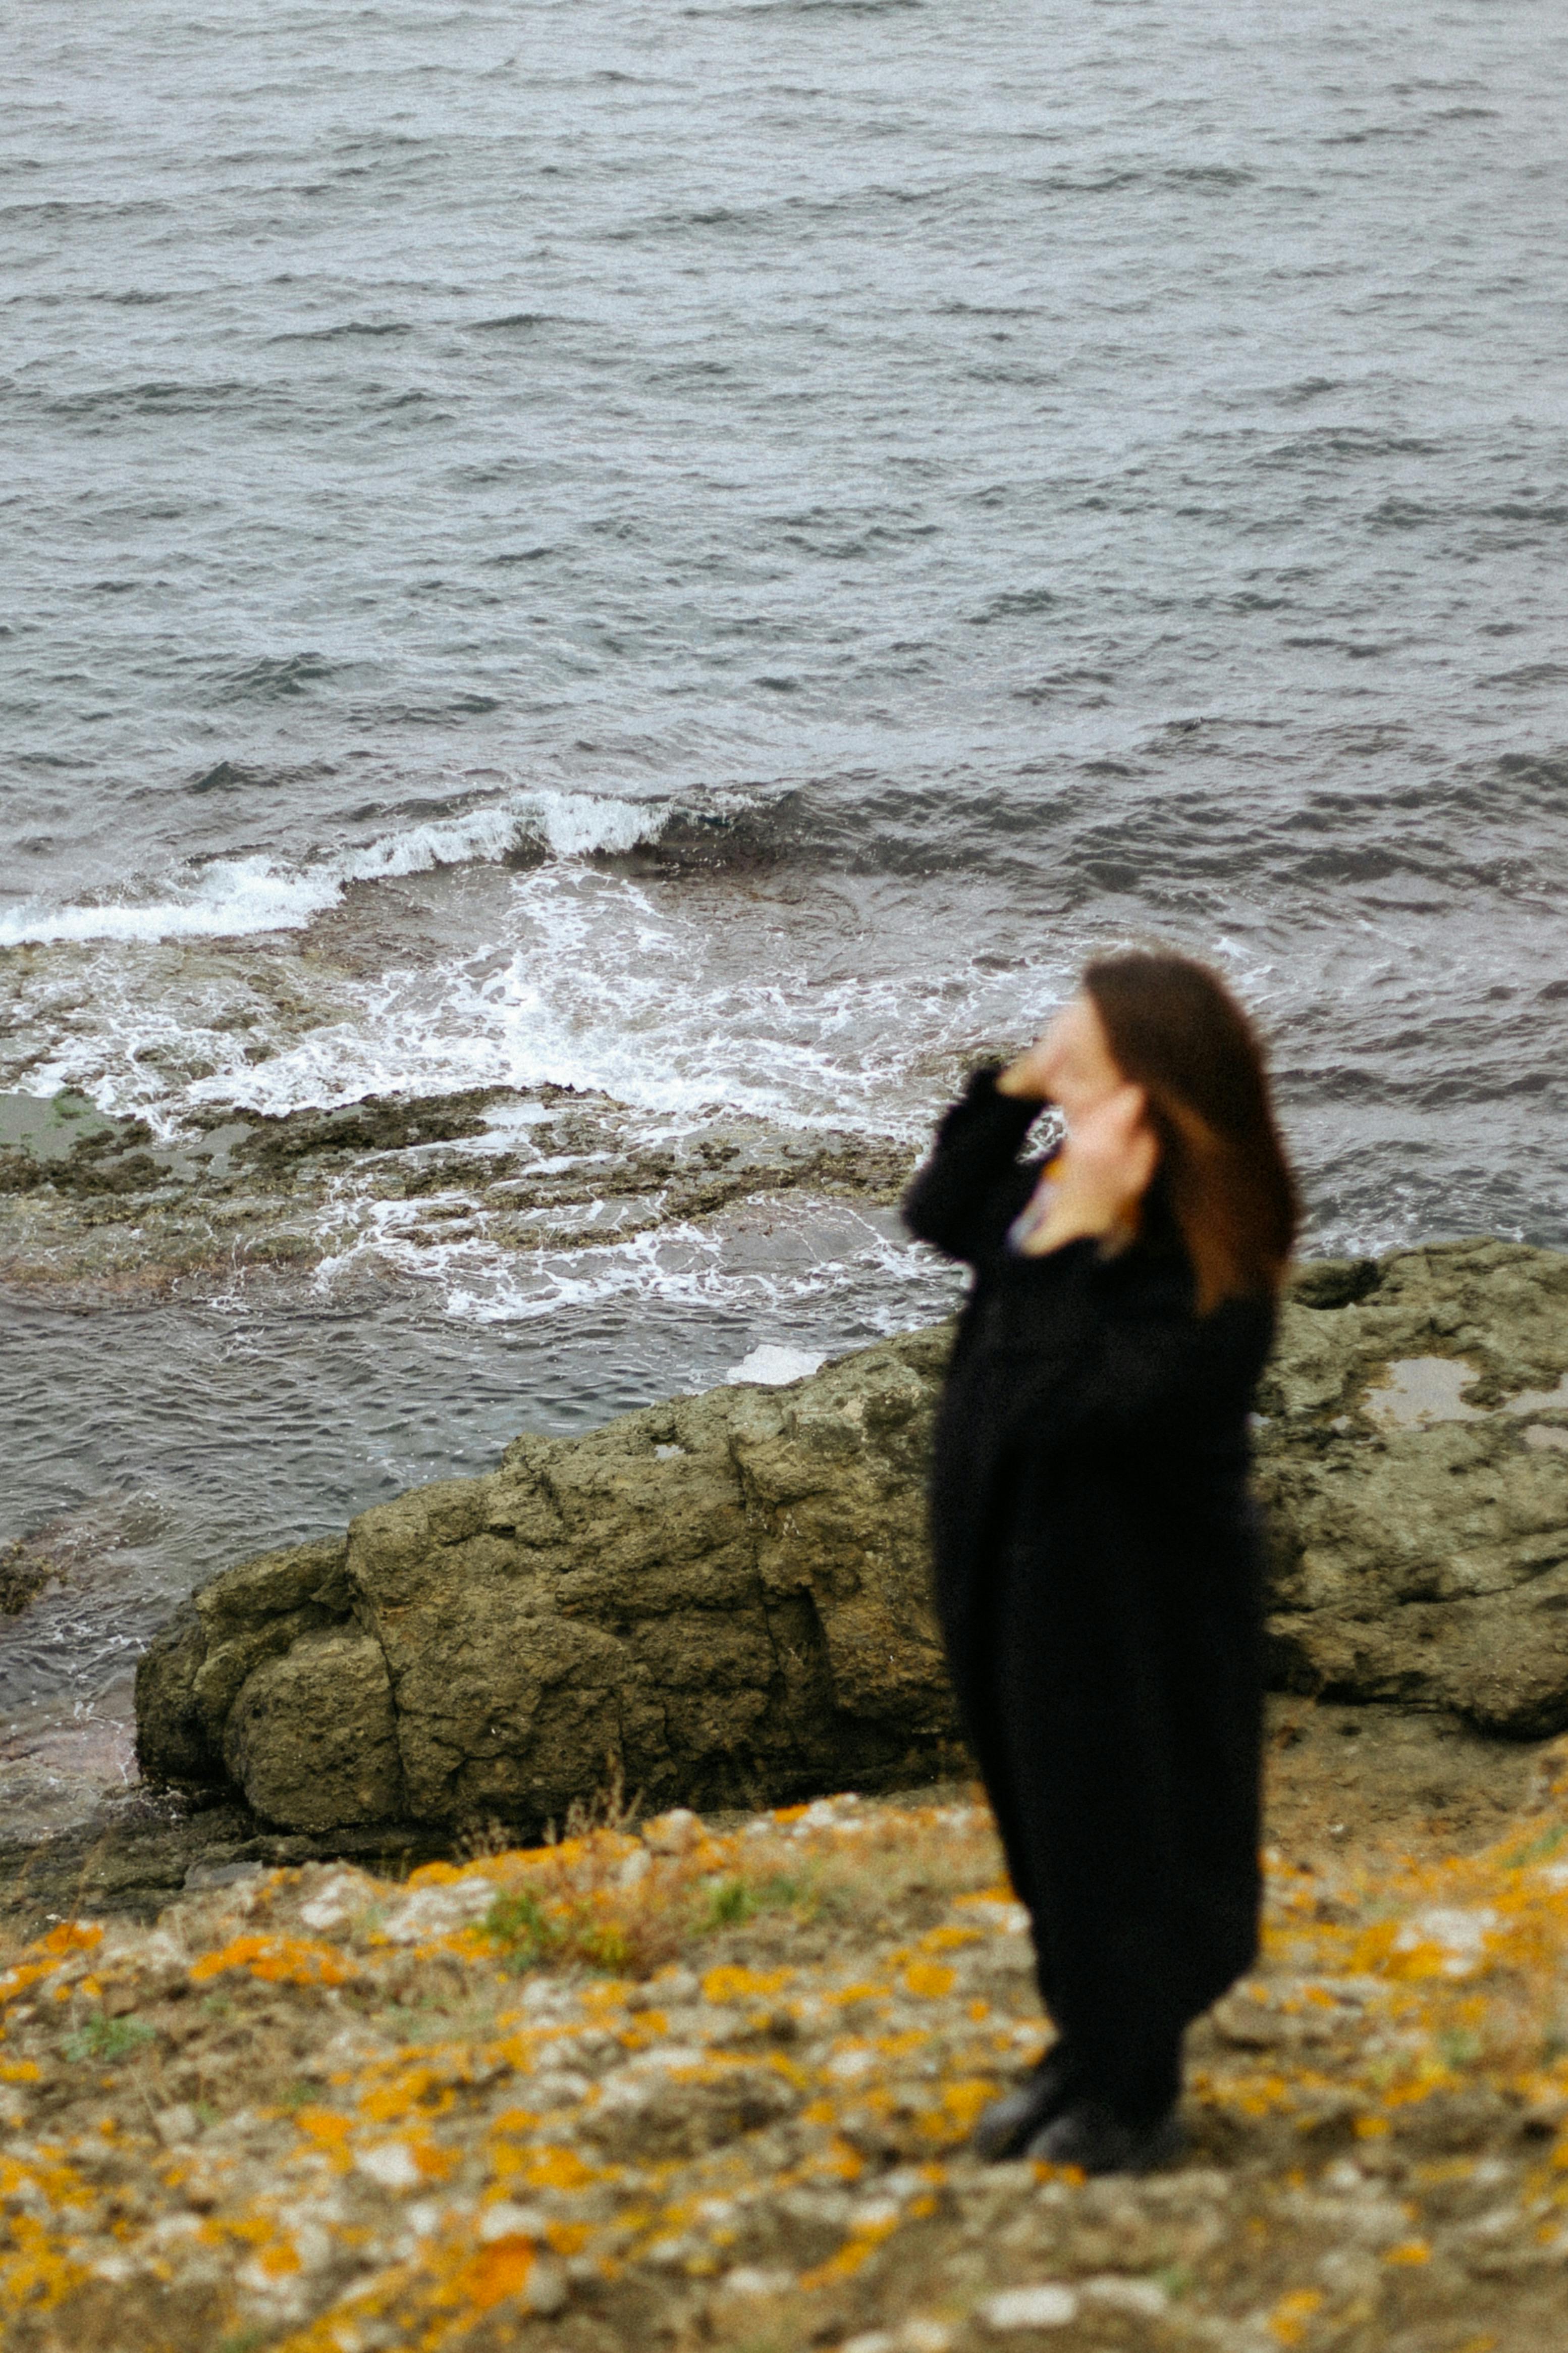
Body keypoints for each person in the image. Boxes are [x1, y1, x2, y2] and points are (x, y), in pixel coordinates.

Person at [902, 950, 1299, 2175]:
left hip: (1134, 1596)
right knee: (1040, 1813)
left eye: (1075, 1042)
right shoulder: (1055, 1185)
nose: (1051, 1046)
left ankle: (1135, 2095)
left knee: (1116, 1821)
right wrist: (1016, 1095)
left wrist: (1072, 1243)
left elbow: (1074, 1410)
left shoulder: (1206, 1239)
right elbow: (937, 1212)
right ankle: (1085, 2042)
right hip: (1013, 1562)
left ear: (1144, 1081)